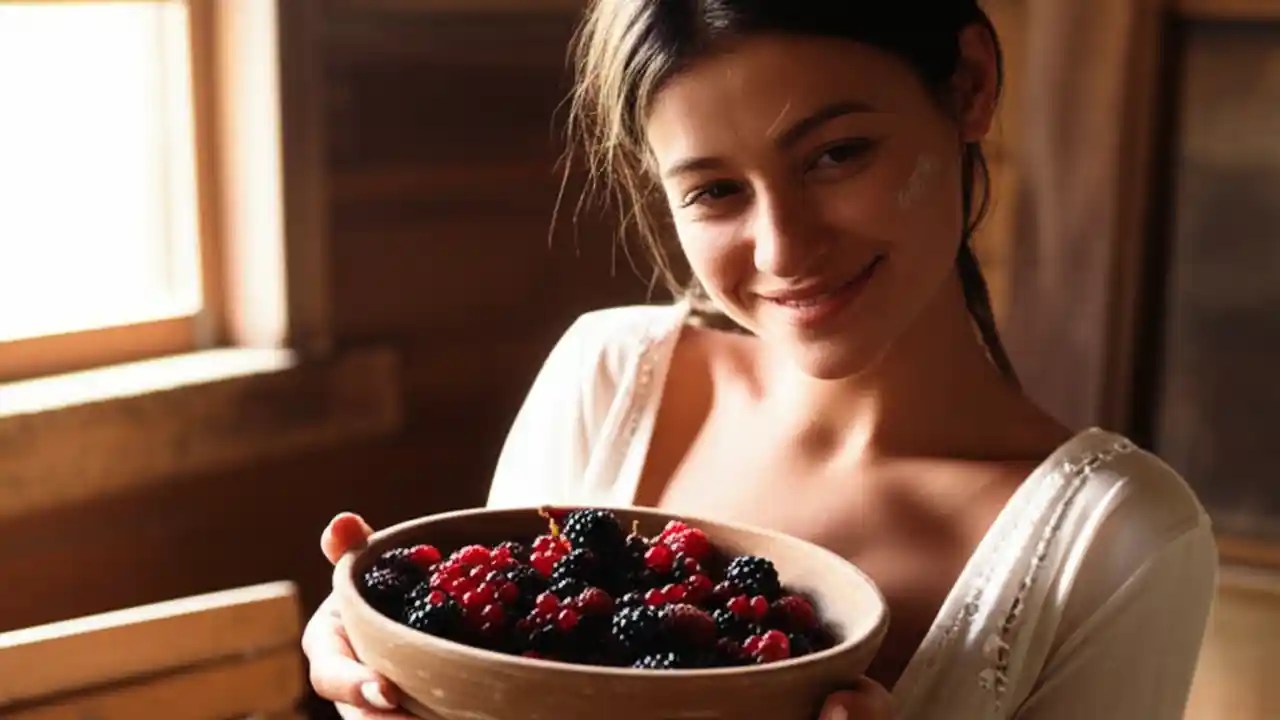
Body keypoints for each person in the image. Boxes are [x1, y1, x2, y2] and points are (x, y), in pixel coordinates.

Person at [302, 2, 1219, 718]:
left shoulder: (1120, 540)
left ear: (970, 82)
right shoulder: (608, 376)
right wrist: (396, 657)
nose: (783, 250)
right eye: (714, 191)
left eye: (837, 154)